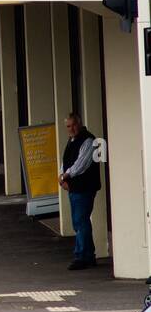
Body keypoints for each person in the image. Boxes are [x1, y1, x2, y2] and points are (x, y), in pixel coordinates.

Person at [60, 112, 100, 270]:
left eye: (73, 125)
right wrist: (62, 176)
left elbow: (81, 164)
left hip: (85, 187)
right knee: (79, 221)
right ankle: (88, 255)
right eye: (68, 126)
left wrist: (66, 175)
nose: (71, 129)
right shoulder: (72, 140)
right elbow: (66, 161)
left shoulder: (88, 140)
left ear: (80, 124)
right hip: (75, 187)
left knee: (81, 220)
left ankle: (82, 255)